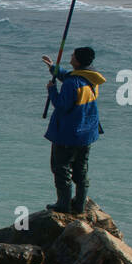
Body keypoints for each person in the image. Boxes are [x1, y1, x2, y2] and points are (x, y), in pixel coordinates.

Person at [42, 47, 106, 214]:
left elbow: (62, 105)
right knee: (81, 169)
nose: (70, 56)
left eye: (73, 55)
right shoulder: (91, 79)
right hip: (87, 133)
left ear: (77, 61)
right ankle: (79, 205)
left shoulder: (72, 83)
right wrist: (53, 68)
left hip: (68, 134)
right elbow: (69, 77)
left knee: (61, 168)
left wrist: (51, 89)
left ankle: (63, 205)